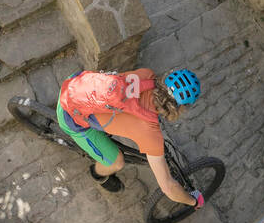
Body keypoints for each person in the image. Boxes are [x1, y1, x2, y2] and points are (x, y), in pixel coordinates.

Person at [56, 67, 205, 206]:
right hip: (70, 116)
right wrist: (194, 201)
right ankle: (98, 175)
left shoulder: (146, 75)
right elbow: (168, 186)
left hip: (76, 83)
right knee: (116, 162)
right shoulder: (150, 134)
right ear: (179, 108)